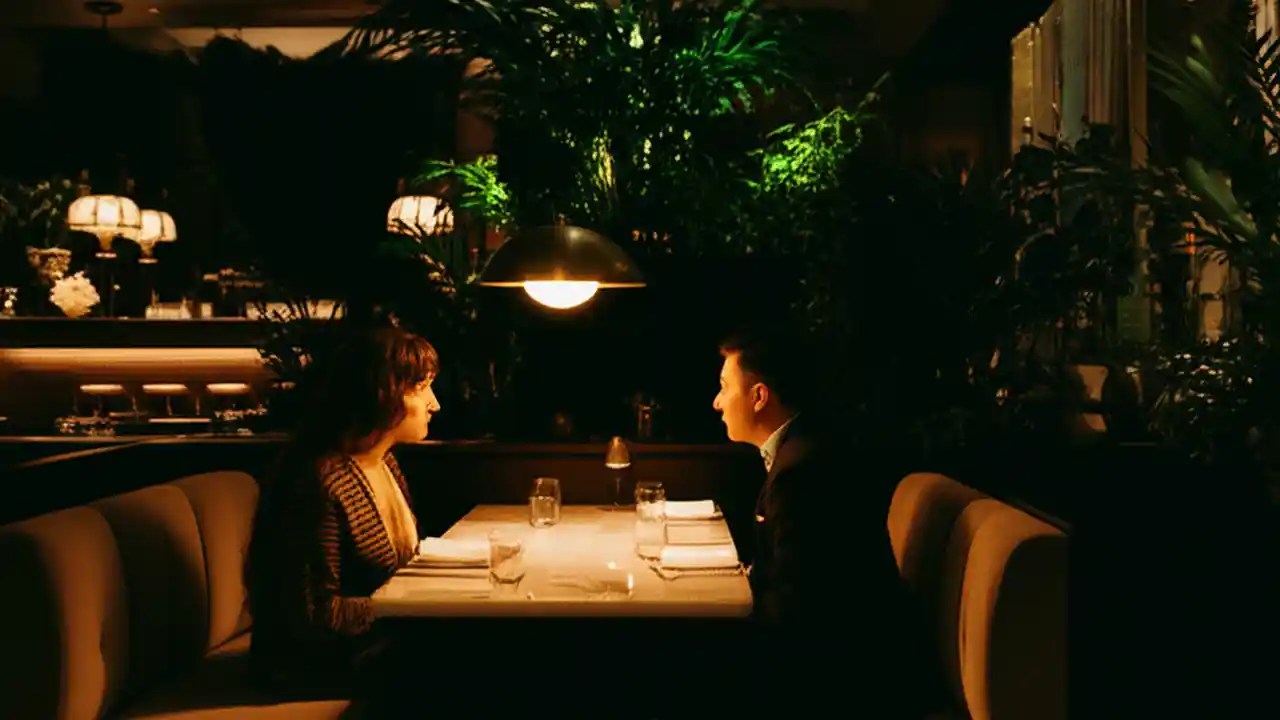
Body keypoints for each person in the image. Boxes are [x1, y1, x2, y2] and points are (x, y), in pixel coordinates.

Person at [712, 325, 929, 715]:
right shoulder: (803, 450)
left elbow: (801, 611)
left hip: (847, 682)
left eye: (725, 388)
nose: (717, 402)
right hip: (844, 661)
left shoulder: (803, 471)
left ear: (759, 396)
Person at [245, 324, 441, 697]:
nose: (434, 404)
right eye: (421, 388)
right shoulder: (318, 479)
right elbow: (312, 615)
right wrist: (411, 606)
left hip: (374, 645)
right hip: (315, 665)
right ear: (382, 393)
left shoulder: (383, 463)